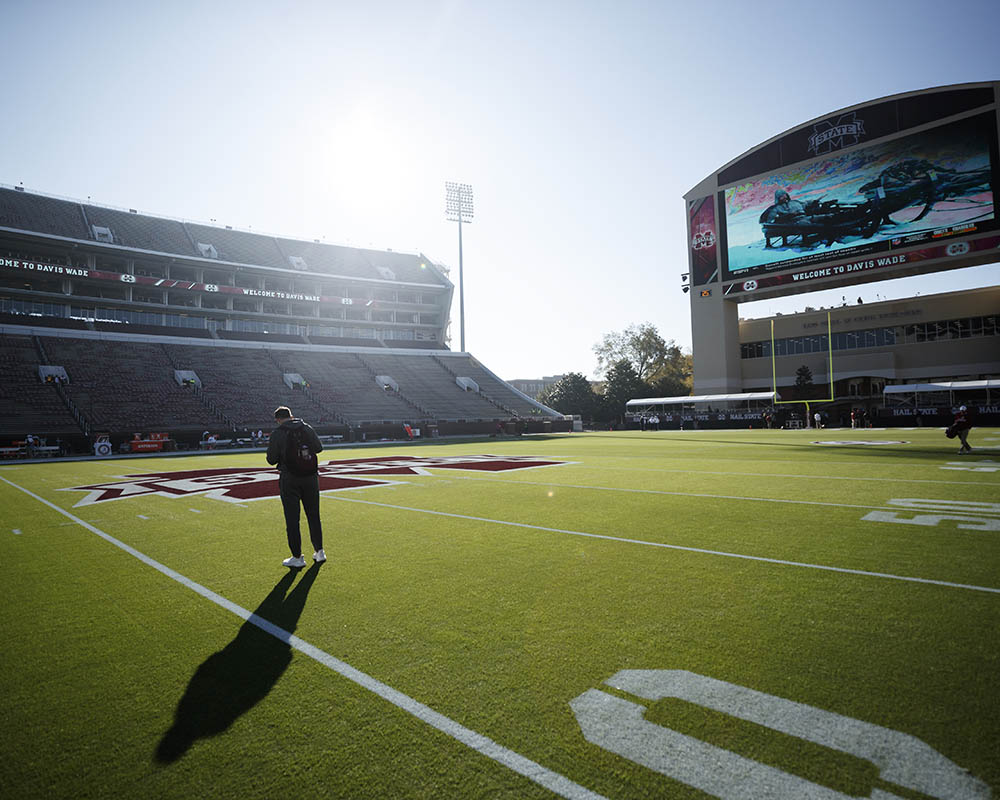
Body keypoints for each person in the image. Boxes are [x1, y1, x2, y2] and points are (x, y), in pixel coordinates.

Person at [266, 406, 325, 567]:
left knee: (292, 519)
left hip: (289, 478)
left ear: (278, 419)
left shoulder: (278, 433)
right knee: (314, 515)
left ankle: (297, 557)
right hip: (311, 477)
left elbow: (271, 460)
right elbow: (319, 448)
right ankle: (319, 551)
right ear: (291, 416)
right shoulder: (307, 428)